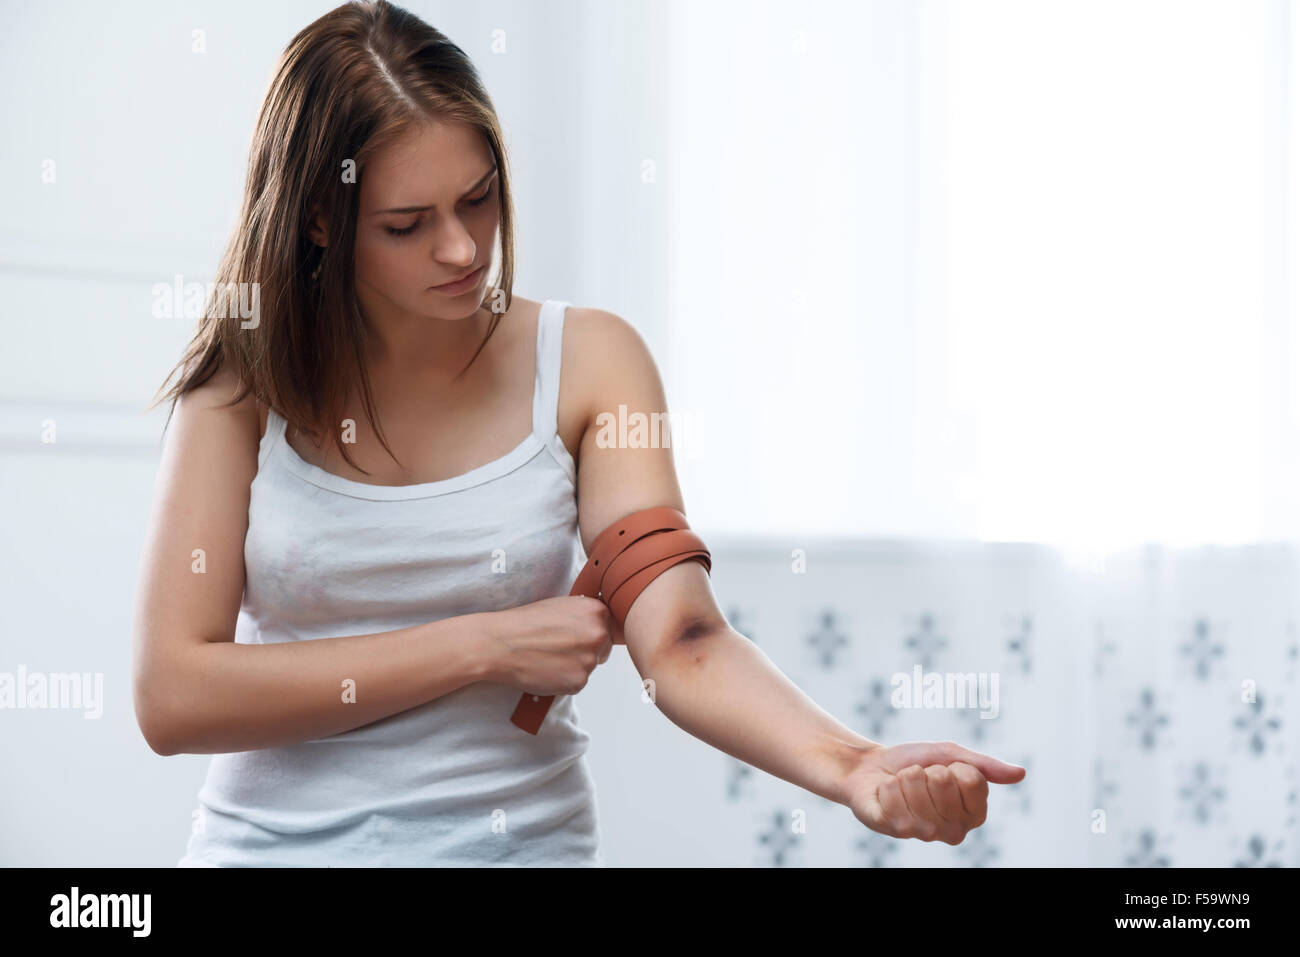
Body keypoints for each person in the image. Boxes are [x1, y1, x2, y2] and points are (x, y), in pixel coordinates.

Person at [131, 0, 1025, 868]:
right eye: (408, 225)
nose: (461, 250)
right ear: (320, 220)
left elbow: (682, 639)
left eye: (478, 201)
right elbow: (172, 695)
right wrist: (480, 644)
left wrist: (853, 764)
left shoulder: (592, 361)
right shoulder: (240, 390)